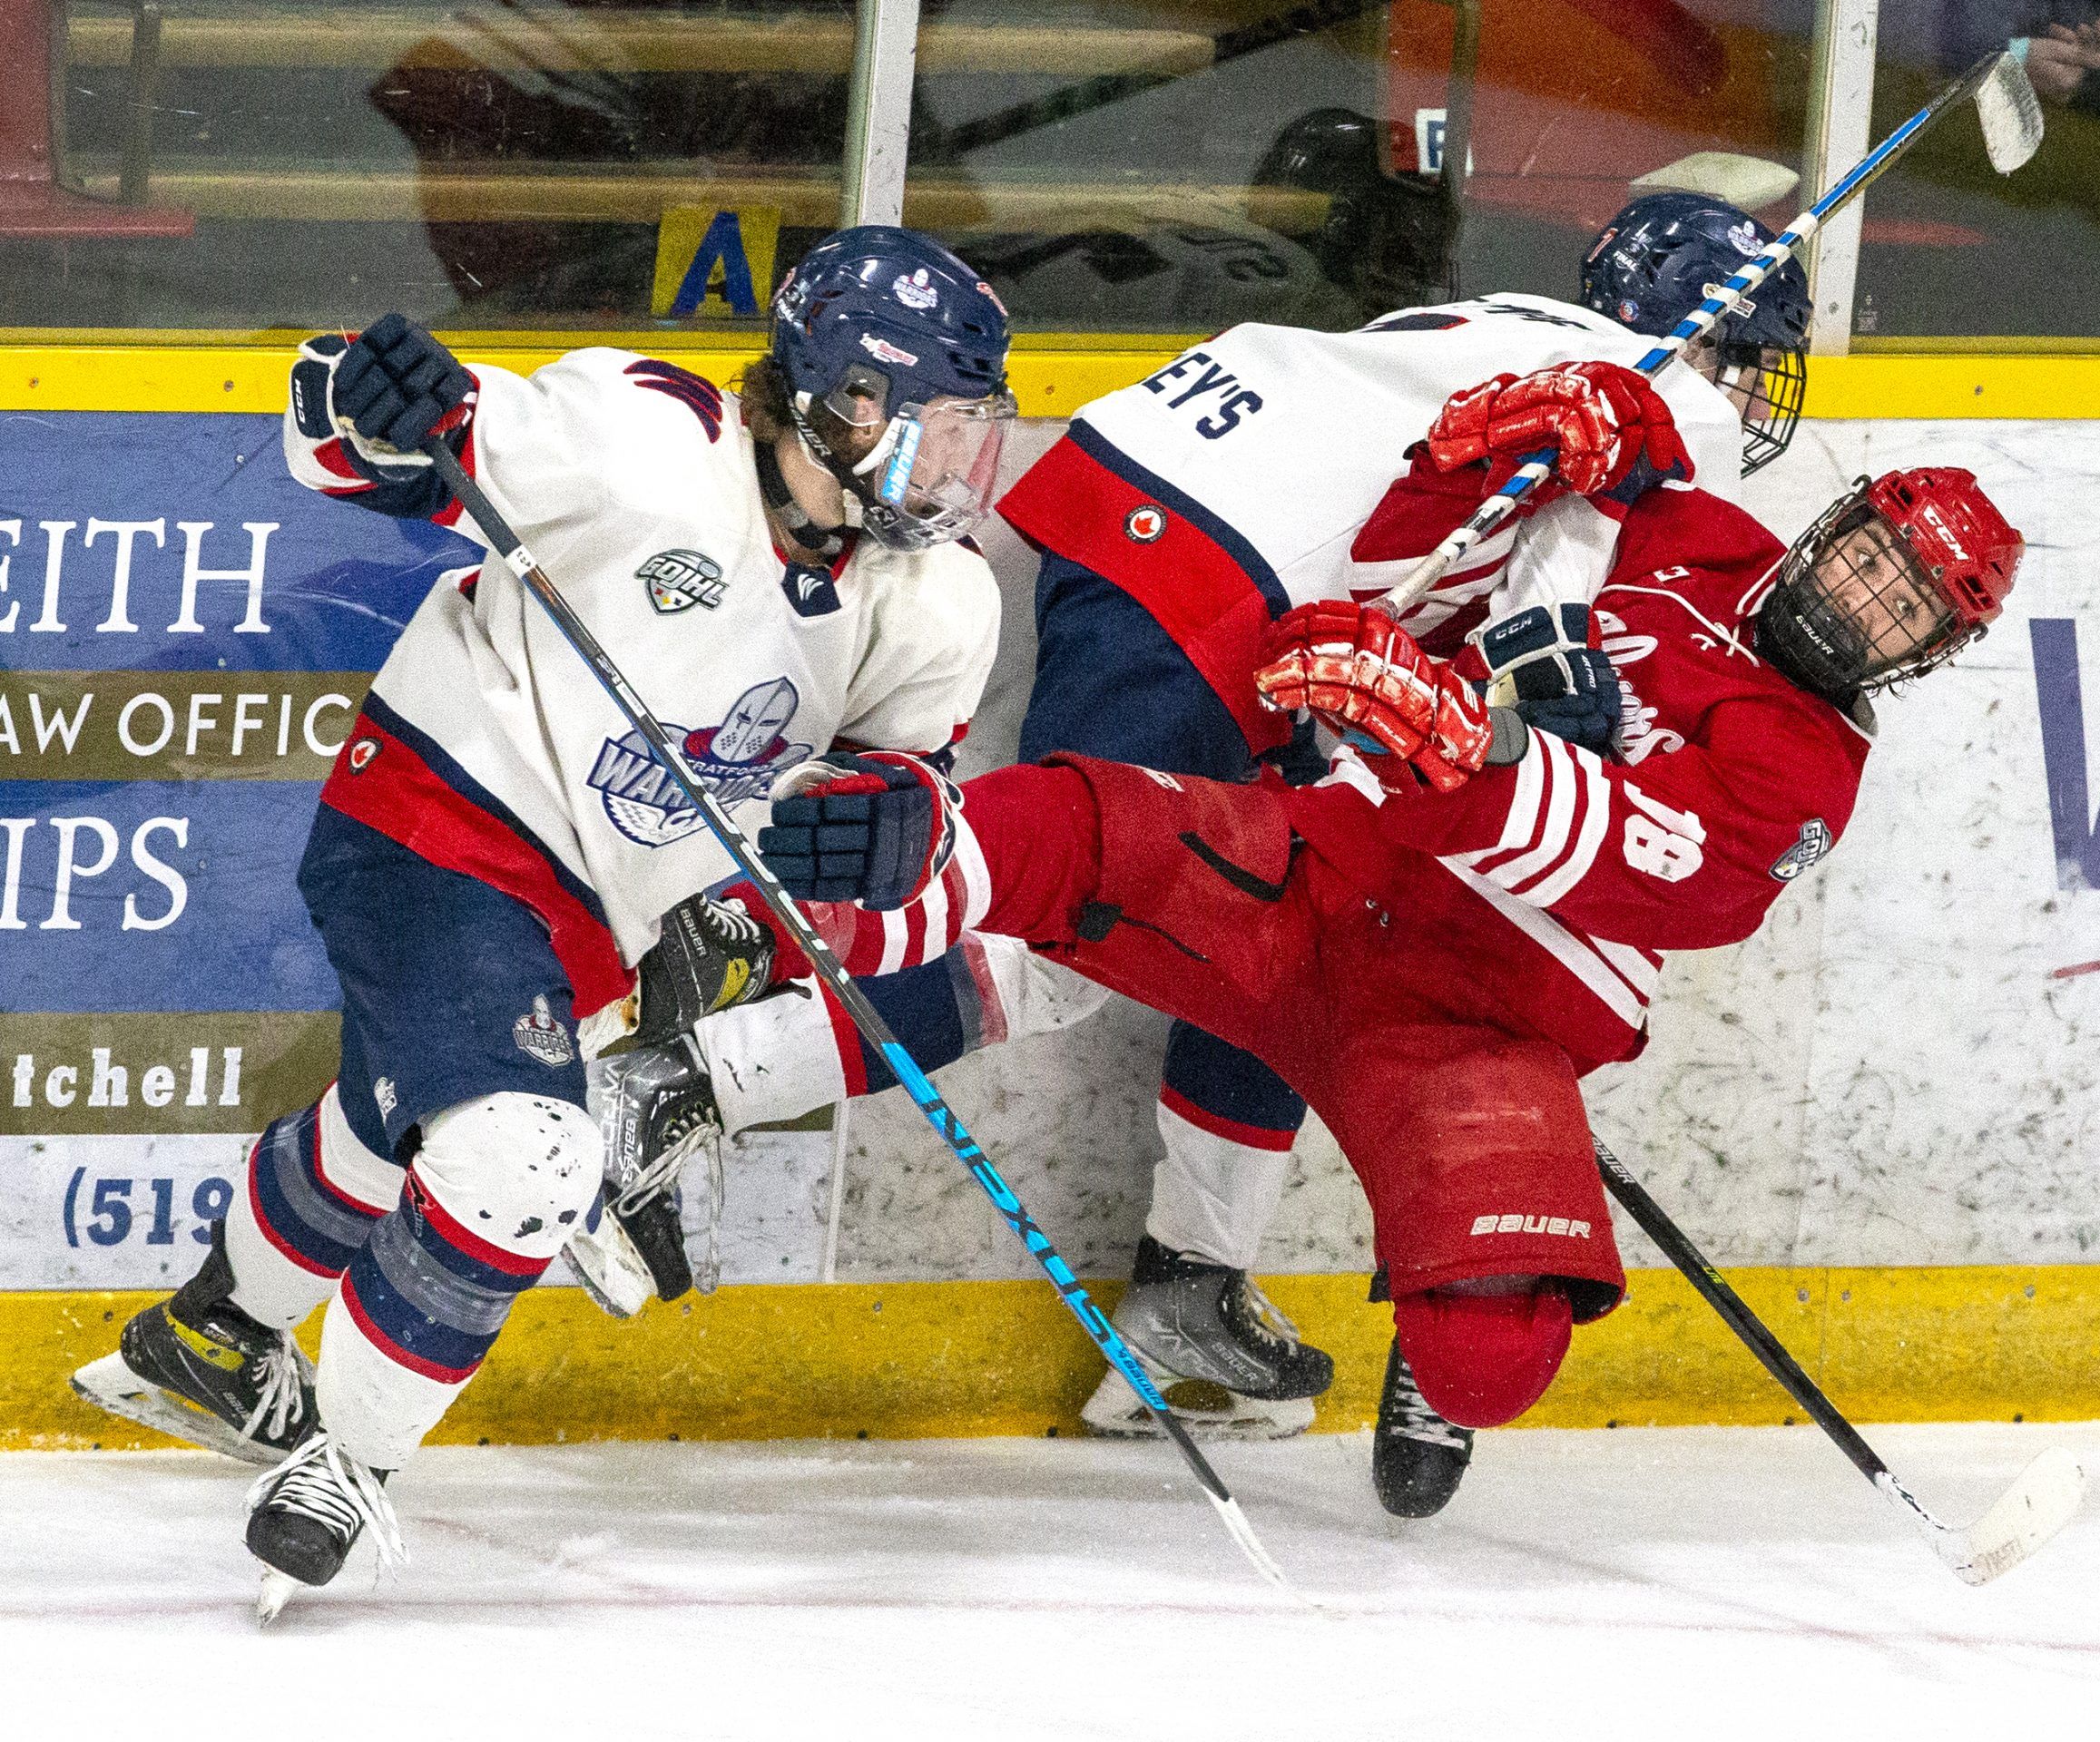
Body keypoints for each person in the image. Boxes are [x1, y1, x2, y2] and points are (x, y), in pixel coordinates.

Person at [593, 191, 1815, 1443]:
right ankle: (690, 1080)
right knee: (1058, 933)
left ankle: (1189, 1278)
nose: (1748, 390)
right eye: (1752, 353)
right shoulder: (1674, 401)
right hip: (1216, 586)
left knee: (1268, 905)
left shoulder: (1483, 323)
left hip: (1092, 490)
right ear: (1714, 337)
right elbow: (1546, 620)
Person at [726, 462, 2022, 1519]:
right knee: (1087, 825)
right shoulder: (1699, 537)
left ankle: (1445, 1320)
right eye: (1869, 559)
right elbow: (1447, 543)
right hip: (1317, 875)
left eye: (1905, 608)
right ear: (1834, 526)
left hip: (1473, 1015)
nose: (1863, 605)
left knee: (1496, 1353)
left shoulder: (1809, 774)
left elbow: (1651, 870)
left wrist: (1472, 754)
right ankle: (889, 858)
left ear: (1925, 652)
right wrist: (1570, 450)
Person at [67, 226, 1018, 1612]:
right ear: (839, 397)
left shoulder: (941, 599)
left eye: (969, 440)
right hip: (437, 820)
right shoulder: (643, 441)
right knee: (525, 1154)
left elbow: (898, 782)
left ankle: (208, 1335)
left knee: (398, 1121)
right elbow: (369, 436)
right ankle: (351, 1460)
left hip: (599, 911)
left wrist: (897, 828)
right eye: (932, 432)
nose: (952, 472)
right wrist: (364, 398)